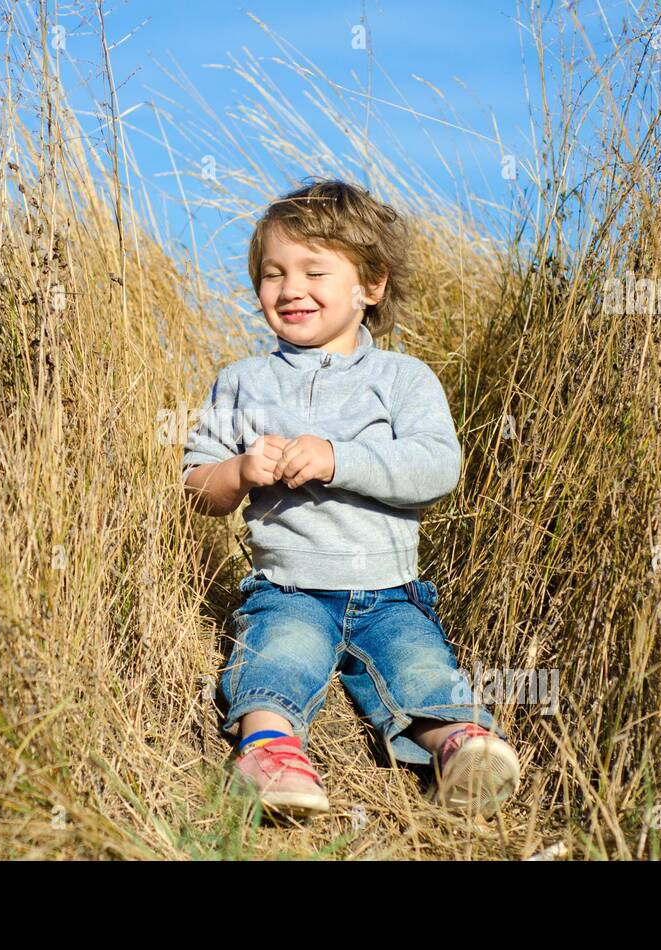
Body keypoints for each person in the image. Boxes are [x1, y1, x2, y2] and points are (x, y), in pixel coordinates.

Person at [182, 179, 521, 820]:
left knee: (420, 670)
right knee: (276, 661)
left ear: (371, 285)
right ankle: (270, 753)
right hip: (287, 588)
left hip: (390, 592)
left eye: (315, 271)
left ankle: (460, 746)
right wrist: (241, 469)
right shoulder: (243, 382)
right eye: (273, 273)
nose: (290, 289)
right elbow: (197, 485)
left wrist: (340, 460)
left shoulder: (402, 379)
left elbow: (435, 467)